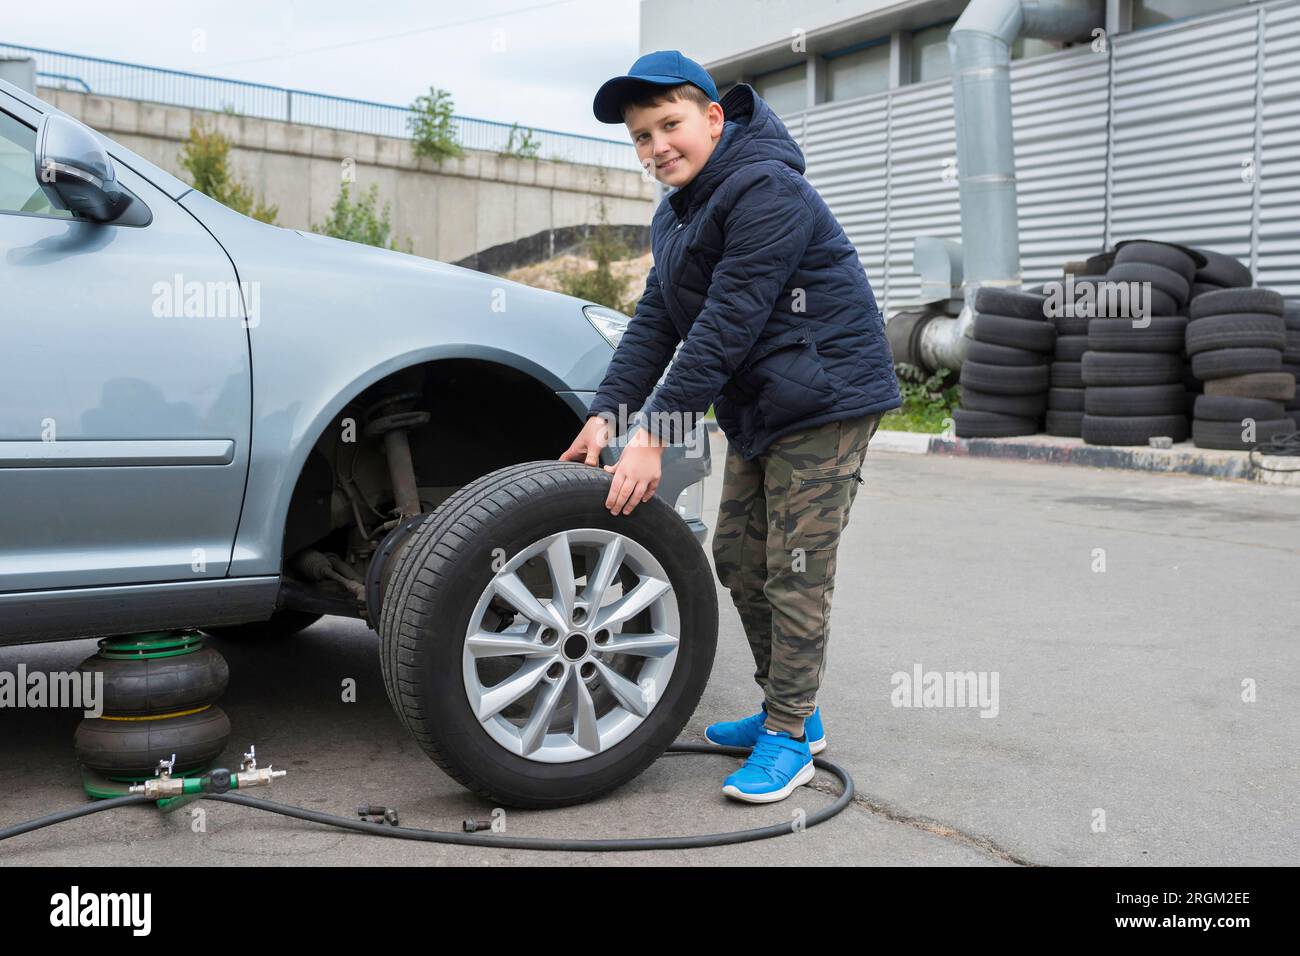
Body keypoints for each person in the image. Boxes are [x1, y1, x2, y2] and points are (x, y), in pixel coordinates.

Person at [559, 50, 901, 803]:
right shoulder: (679, 209)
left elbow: (725, 325)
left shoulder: (767, 189)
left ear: (715, 117)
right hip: (767, 405)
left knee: (795, 568)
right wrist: (605, 415)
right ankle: (794, 710)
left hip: (828, 400)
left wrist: (651, 436)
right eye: (641, 137)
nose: (656, 149)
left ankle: (789, 736)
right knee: (738, 560)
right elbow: (656, 320)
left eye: (669, 125)